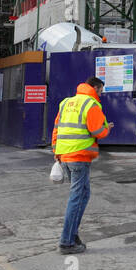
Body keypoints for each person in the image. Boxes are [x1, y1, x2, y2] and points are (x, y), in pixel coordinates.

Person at [52, 75, 111, 255]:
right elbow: (97, 131)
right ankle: (66, 241)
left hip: (66, 155)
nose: (101, 93)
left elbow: (56, 129)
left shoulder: (67, 102)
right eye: (101, 90)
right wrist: (107, 128)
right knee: (77, 198)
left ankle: (72, 235)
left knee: (82, 195)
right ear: (95, 87)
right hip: (79, 155)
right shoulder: (91, 104)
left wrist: (57, 152)